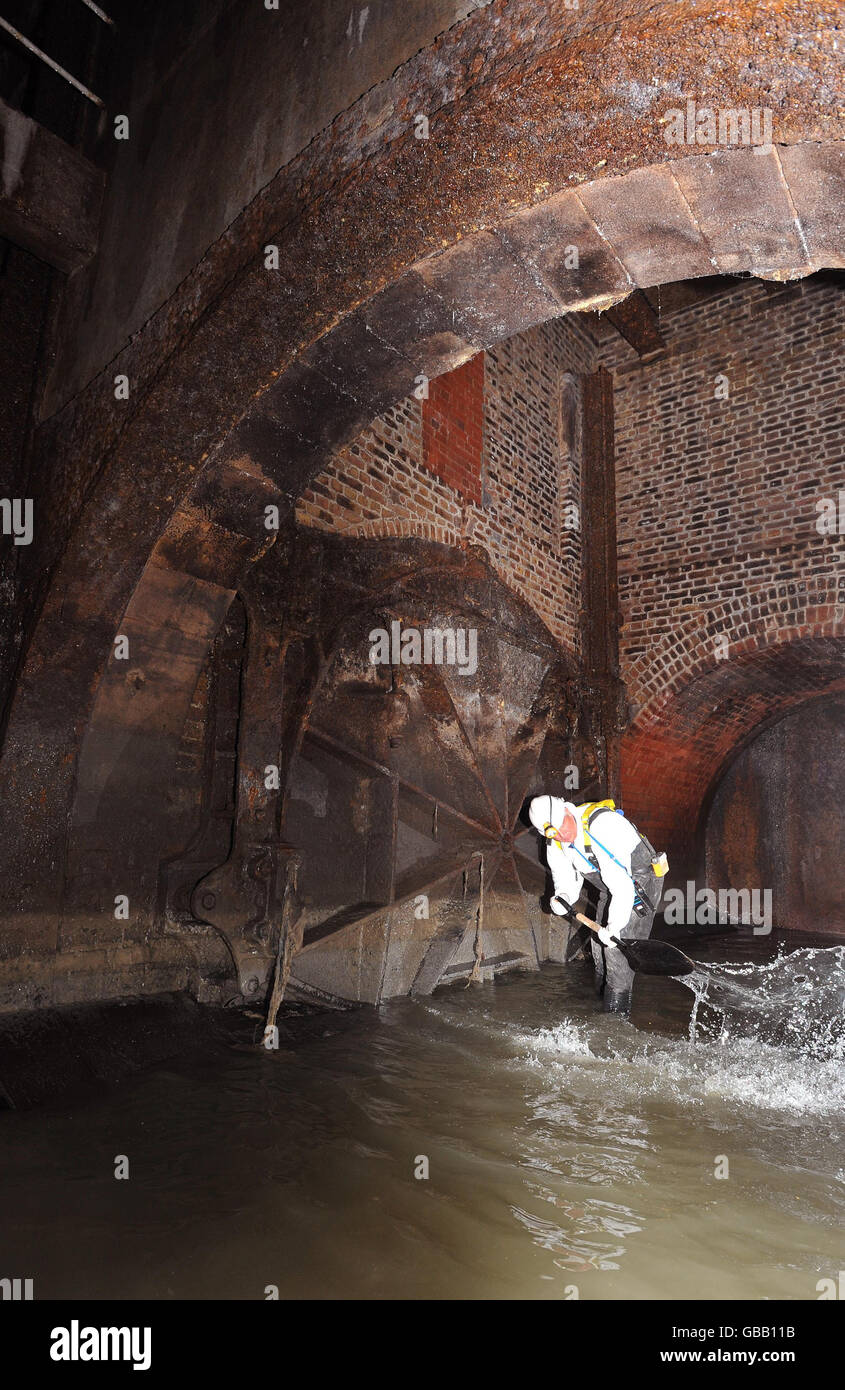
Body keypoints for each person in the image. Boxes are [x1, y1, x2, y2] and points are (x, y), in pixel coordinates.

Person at [527, 794, 667, 1016]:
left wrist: (614, 926)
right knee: (598, 946)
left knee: (615, 951)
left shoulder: (602, 826)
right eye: (553, 832)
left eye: (561, 826)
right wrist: (562, 897)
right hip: (608, 887)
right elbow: (565, 881)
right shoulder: (555, 843)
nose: (562, 835)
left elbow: (621, 885)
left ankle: (615, 1021)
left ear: (566, 810)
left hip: (639, 881)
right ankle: (599, 1004)